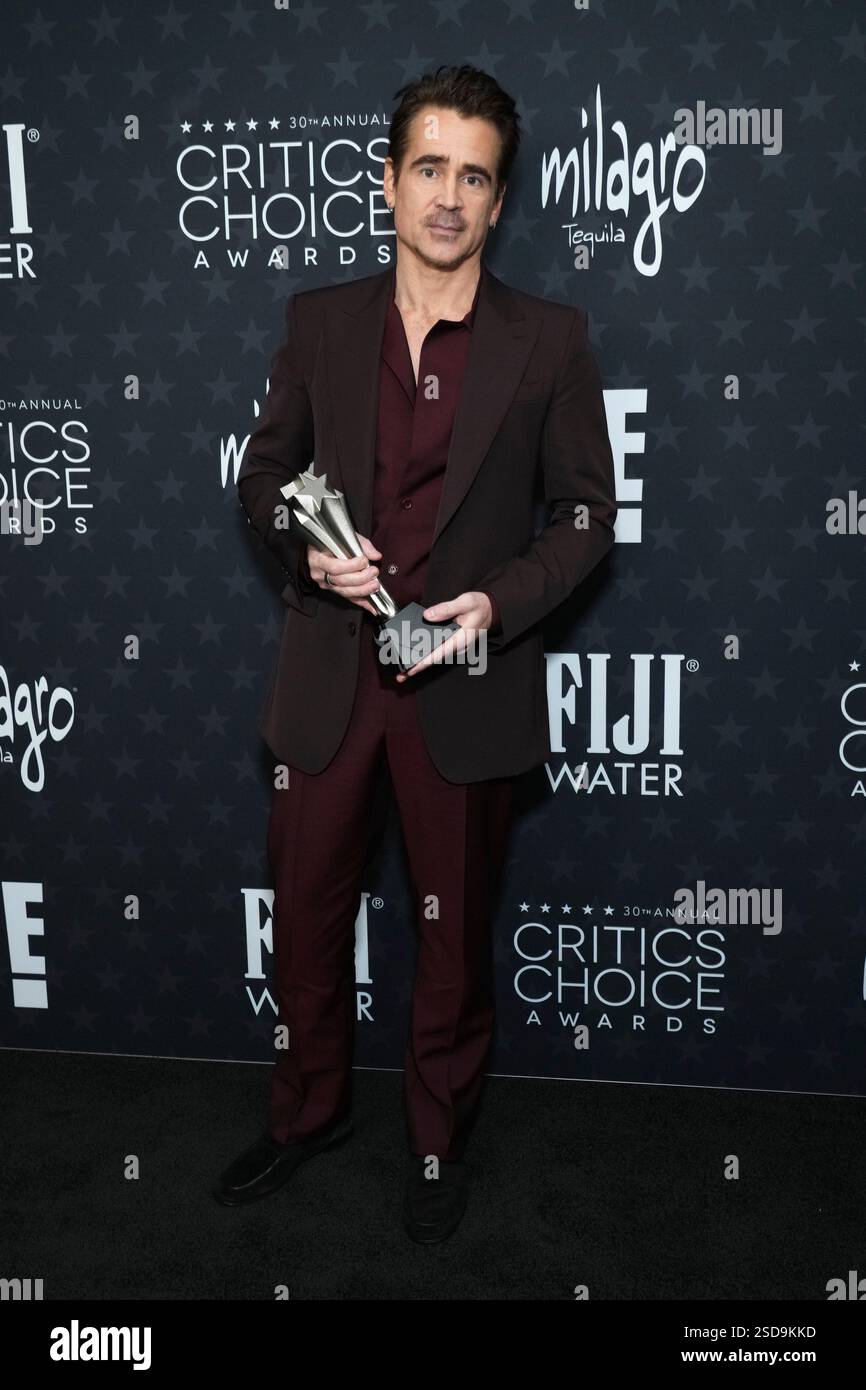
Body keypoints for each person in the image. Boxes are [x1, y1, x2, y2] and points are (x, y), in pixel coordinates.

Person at [214, 63, 617, 1243]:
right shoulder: (318, 322)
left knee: (451, 935)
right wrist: (305, 556)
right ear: (387, 182)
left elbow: (587, 516)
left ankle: (437, 1141)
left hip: (467, 688)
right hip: (330, 677)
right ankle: (307, 1113)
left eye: (474, 176)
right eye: (428, 168)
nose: (448, 196)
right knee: (304, 916)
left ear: (500, 202)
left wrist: (498, 599)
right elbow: (262, 481)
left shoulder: (548, 340)